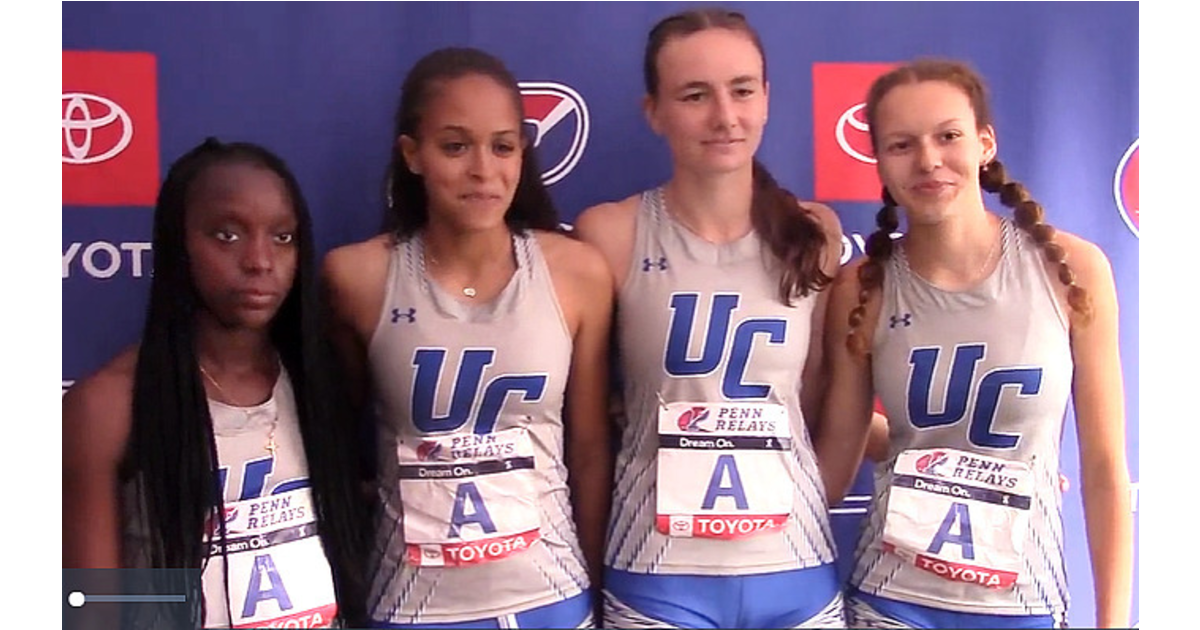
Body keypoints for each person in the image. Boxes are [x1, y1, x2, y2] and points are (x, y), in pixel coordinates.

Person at [814, 58, 1133, 628]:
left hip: (1024, 604)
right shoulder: (862, 287)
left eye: (948, 136)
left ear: (985, 143)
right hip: (889, 600)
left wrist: (1113, 620)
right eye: (902, 144)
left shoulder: (1072, 269)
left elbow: (1106, 466)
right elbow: (839, 453)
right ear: (880, 162)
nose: (929, 159)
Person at [321, 47, 613, 629]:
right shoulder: (356, 277)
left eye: (503, 146)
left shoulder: (578, 273)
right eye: (456, 146)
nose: (484, 169)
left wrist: (598, 584)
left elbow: (587, 447)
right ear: (413, 155)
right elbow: (336, 444)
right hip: (411, 606)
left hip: (551, 600)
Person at [573, 8, 846, 629]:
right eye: (695, 96)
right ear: (654, 112)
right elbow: (584, 414)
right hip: (658, 572)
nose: (725, 117)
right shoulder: (610, 233)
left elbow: (820, 398)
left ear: (768, 99)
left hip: (796, 566)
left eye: (742, 90)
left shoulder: (815, 232)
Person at [62, 138, 369, 628]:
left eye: (282, 237)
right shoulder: (109, 405)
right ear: (176, 243)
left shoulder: (322, 383)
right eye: (227, 236)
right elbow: (93, 610)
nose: (259, 261)